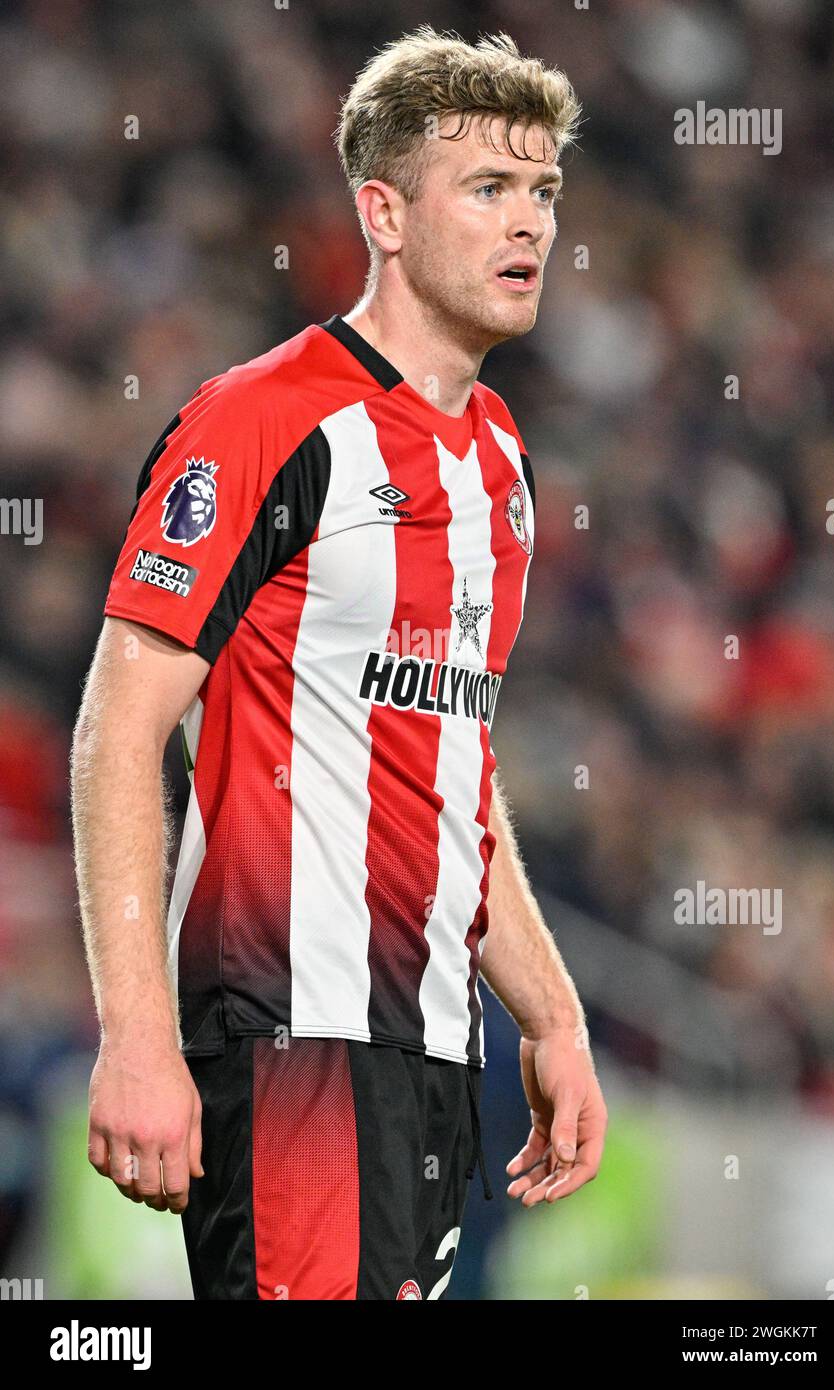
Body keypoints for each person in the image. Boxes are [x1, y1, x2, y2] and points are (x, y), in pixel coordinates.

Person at [70, 23, 607, 1301]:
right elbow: (117, 728)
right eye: (487, 188)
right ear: (384, 211)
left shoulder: (504, 469)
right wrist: (137, 1034)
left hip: (432, 1047)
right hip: (286, 1030)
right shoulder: (262, 419)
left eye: (543, 192)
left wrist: (553, 1012)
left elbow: (449, 768)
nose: (528, 223)